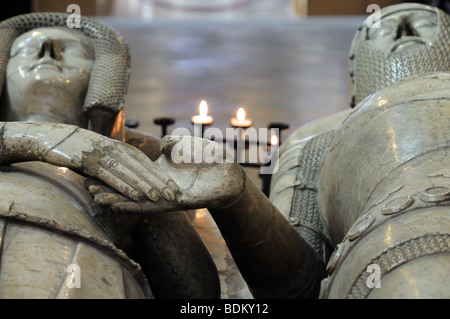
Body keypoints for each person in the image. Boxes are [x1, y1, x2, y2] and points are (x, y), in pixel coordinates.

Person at [92, 3, 450, 298]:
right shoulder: (318, 140)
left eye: (425, 22)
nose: (405, 29)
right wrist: (239, 198)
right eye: (379, 30)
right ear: (355, 75)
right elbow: (293, 289)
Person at [0, 13, 219, 298]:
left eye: (73, 51)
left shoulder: (133, 155)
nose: (48, 52)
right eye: (24, 50)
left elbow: (196, 294)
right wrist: (49, 139)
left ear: (102, 81)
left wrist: (149, 209)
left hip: (79, 265)